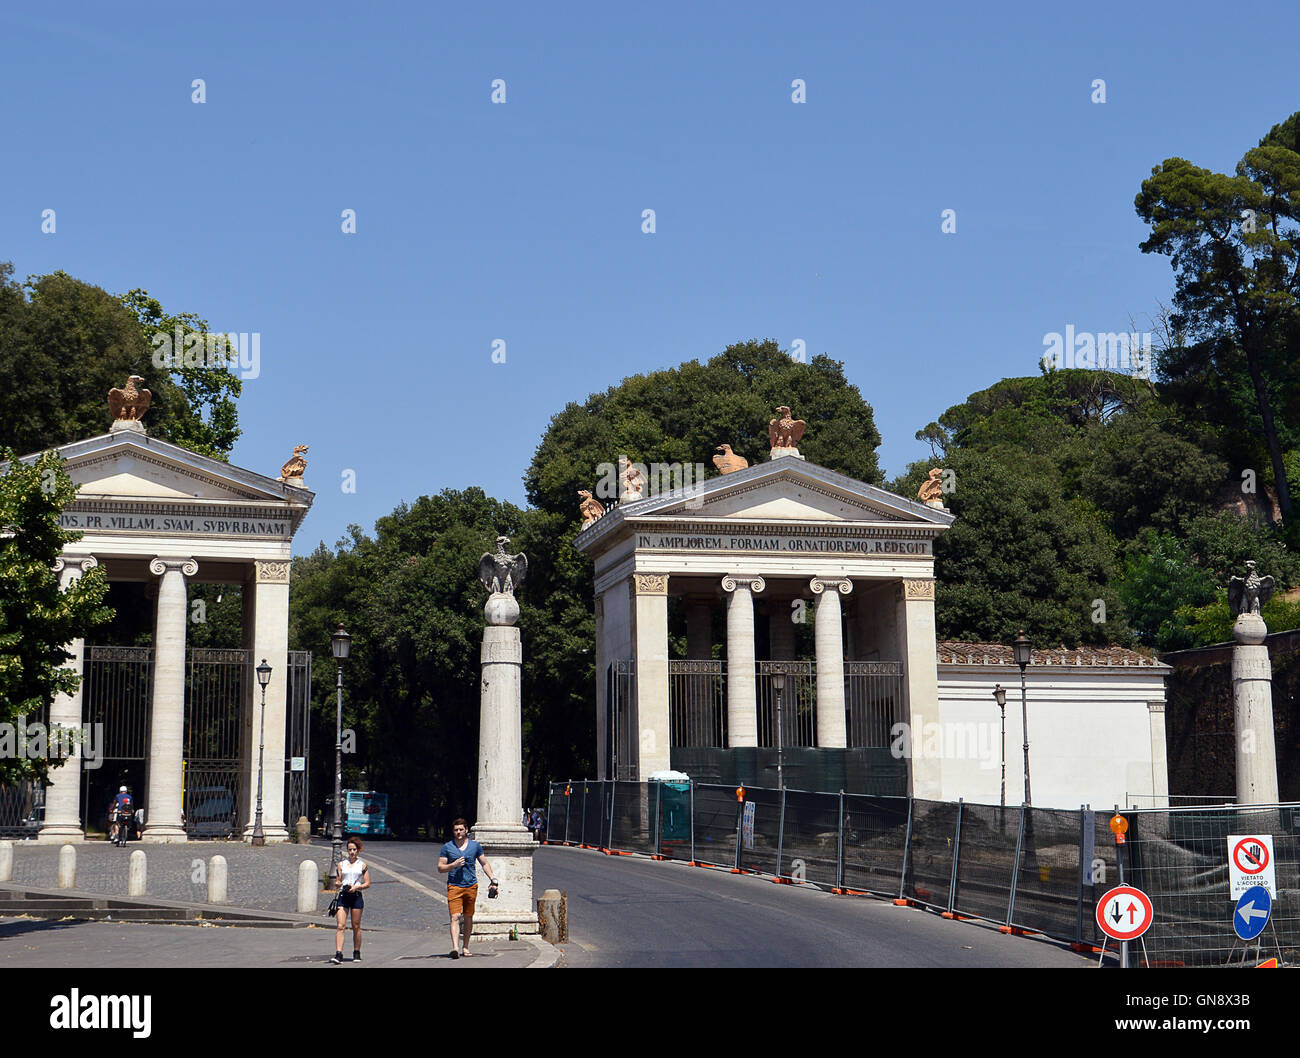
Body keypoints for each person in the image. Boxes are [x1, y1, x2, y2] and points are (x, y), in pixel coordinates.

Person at [437, 817, 497, 959]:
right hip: (454, 886)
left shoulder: (475, 846)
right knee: (455, 916)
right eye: (456, 830)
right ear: (453, 831)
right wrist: (453, 865)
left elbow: (484, 863)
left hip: (471, 886)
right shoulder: (447, 847)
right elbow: (440, 867)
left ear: (466, 830)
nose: (459, 832)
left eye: (461, 829)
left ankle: (466, 946)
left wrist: (493, 879)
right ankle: (455, 948)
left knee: (468, 917)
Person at [332, 837, 371, 964]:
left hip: (356, 896)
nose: (352, 852)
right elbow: (338, 880)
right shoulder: (341, 864)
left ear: (358, 850)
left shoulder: (362, 865)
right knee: (340, 926)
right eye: (350, 850)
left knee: (356, 926)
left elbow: (367, 883)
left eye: (354, 849)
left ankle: (356, 951)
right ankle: (338, 953)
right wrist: (338, 884)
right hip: (343, 896)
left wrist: (357, 887)